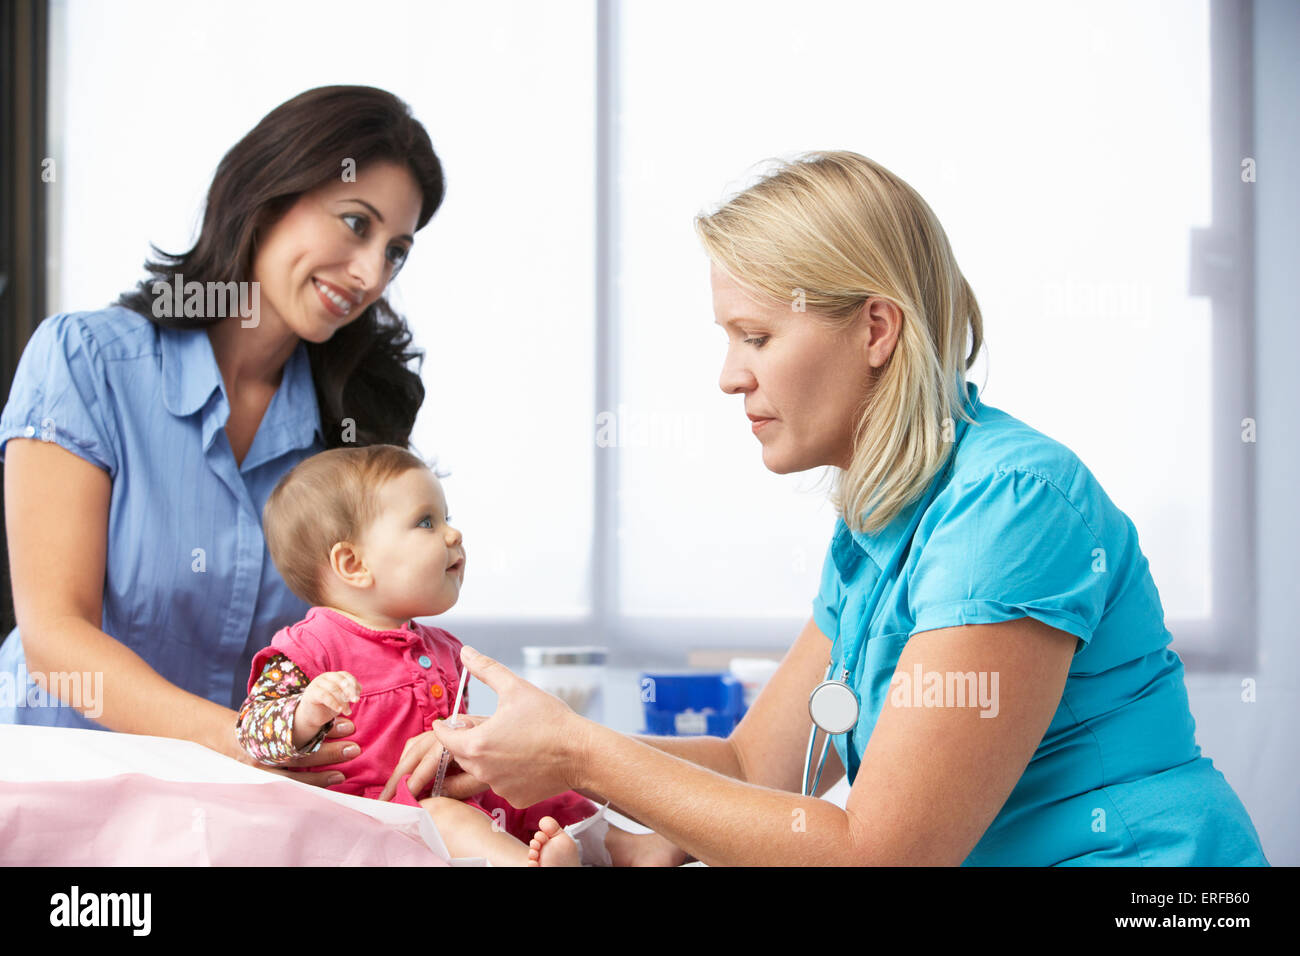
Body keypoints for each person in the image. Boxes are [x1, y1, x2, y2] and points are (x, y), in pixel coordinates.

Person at [417, 151, 1270, 866]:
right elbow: (759, 765)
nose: (729, 375)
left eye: (755, 336)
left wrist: (579, 753)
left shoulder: (1009, 510)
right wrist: (532, 751)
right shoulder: (880, 527)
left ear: (874, 330)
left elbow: (879, 854)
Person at [0, 86, 441, 786]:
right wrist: (245, 743)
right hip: (64, 787)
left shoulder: (347, 427)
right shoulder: (87, 362)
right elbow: (57, 640)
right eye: (355, 224)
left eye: (395, 252)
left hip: (238, 812)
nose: (369, 275)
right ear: (267, 194)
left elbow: (367, 644)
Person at [236, 443, 685, 866]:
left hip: (457, 796)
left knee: (535, 786)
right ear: (354, 565)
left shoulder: (442, 647)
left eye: (446, 516)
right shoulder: (310, 648)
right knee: (446, 818)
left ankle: (623, 848)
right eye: (426, 522)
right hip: (379, 822)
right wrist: (303, 713)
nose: (454, 532)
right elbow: (252, 729)